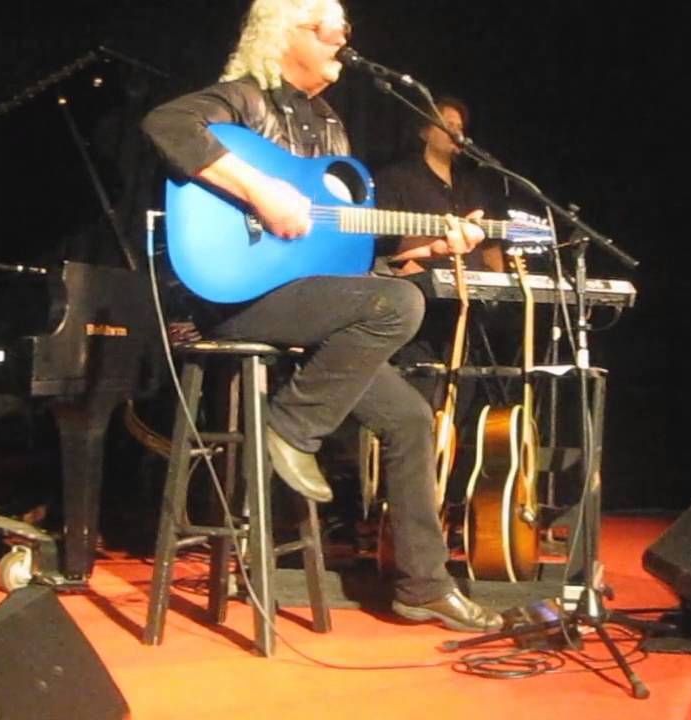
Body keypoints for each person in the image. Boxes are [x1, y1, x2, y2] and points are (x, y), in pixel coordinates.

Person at [141, 0, 502, 632]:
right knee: (400, 305)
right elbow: (167, 123)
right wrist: (260, 190)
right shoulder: (244, 98)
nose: (343, 38)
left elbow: (337, 246)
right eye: (328, 27)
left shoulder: (330, 125)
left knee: (410, 417)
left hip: (306, 301)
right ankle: (290, 427)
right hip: (237, 299)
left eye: (344, 28)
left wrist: (430, 249)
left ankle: (423, 586)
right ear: (285, 33)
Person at [374, 95, 508, 276]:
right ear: (425, 132)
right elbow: (384, 242)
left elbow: (490, 246)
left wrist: (496, 282)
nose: (456, 133)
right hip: (419, 285)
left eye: (459, 128)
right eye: (448, 126)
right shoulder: (395, 178)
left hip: (475, 287)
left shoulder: (471, 184)